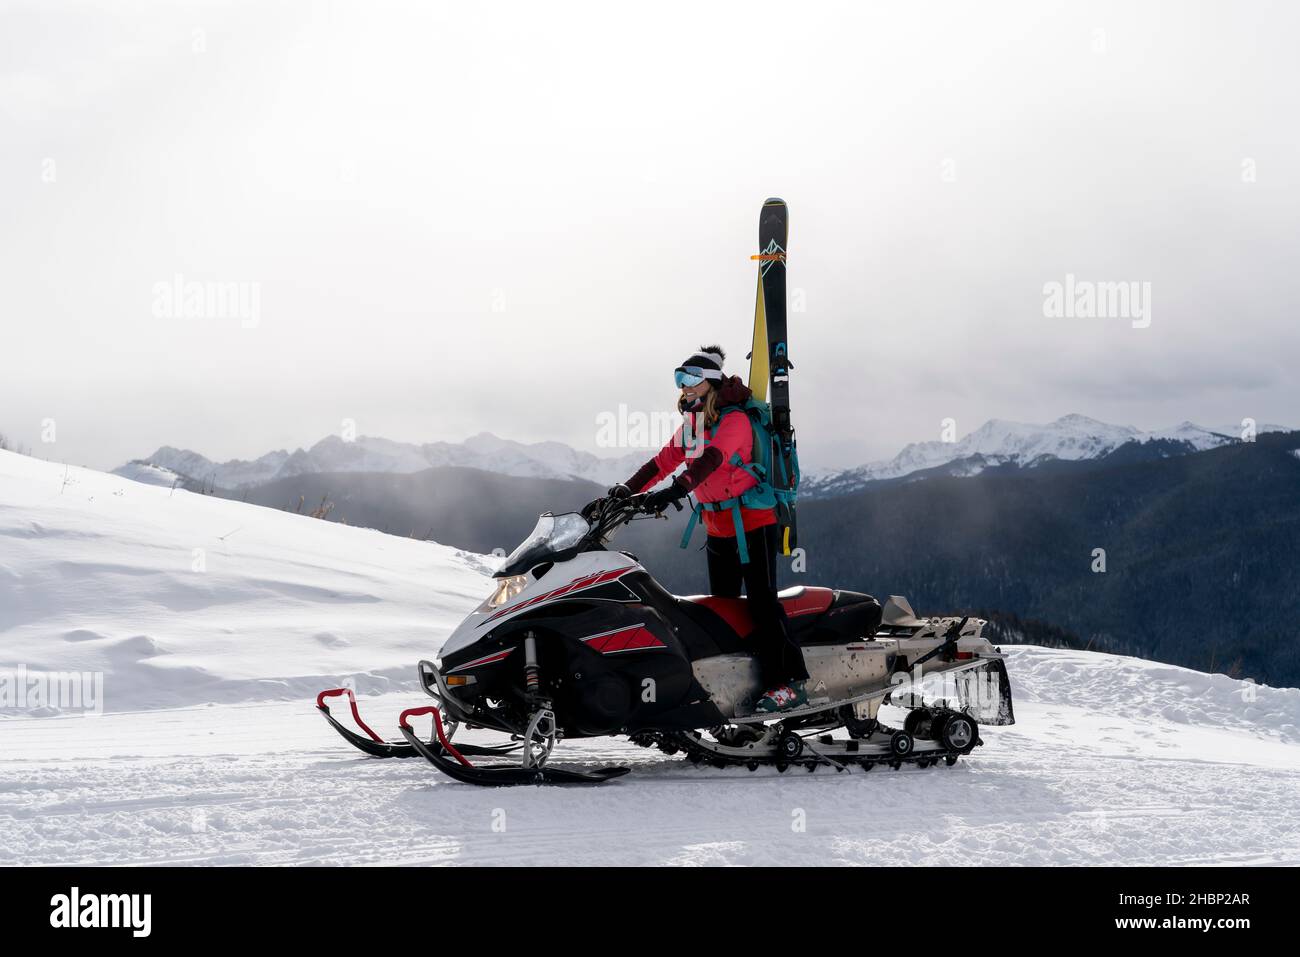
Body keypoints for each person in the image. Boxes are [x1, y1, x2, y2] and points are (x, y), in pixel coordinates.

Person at [608, 345, 809, 713]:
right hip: (718, 527)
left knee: (762, 604)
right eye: (679, 378)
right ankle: (739, 678)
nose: (684, 387)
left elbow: (711, 462)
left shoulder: (735, 422)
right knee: (724, 609)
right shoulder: (694, 426)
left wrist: (675, 491)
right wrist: (624, 491)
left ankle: (790, 682)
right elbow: (660, 463)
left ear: (711, 383)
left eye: (691, 379)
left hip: (753, 524)